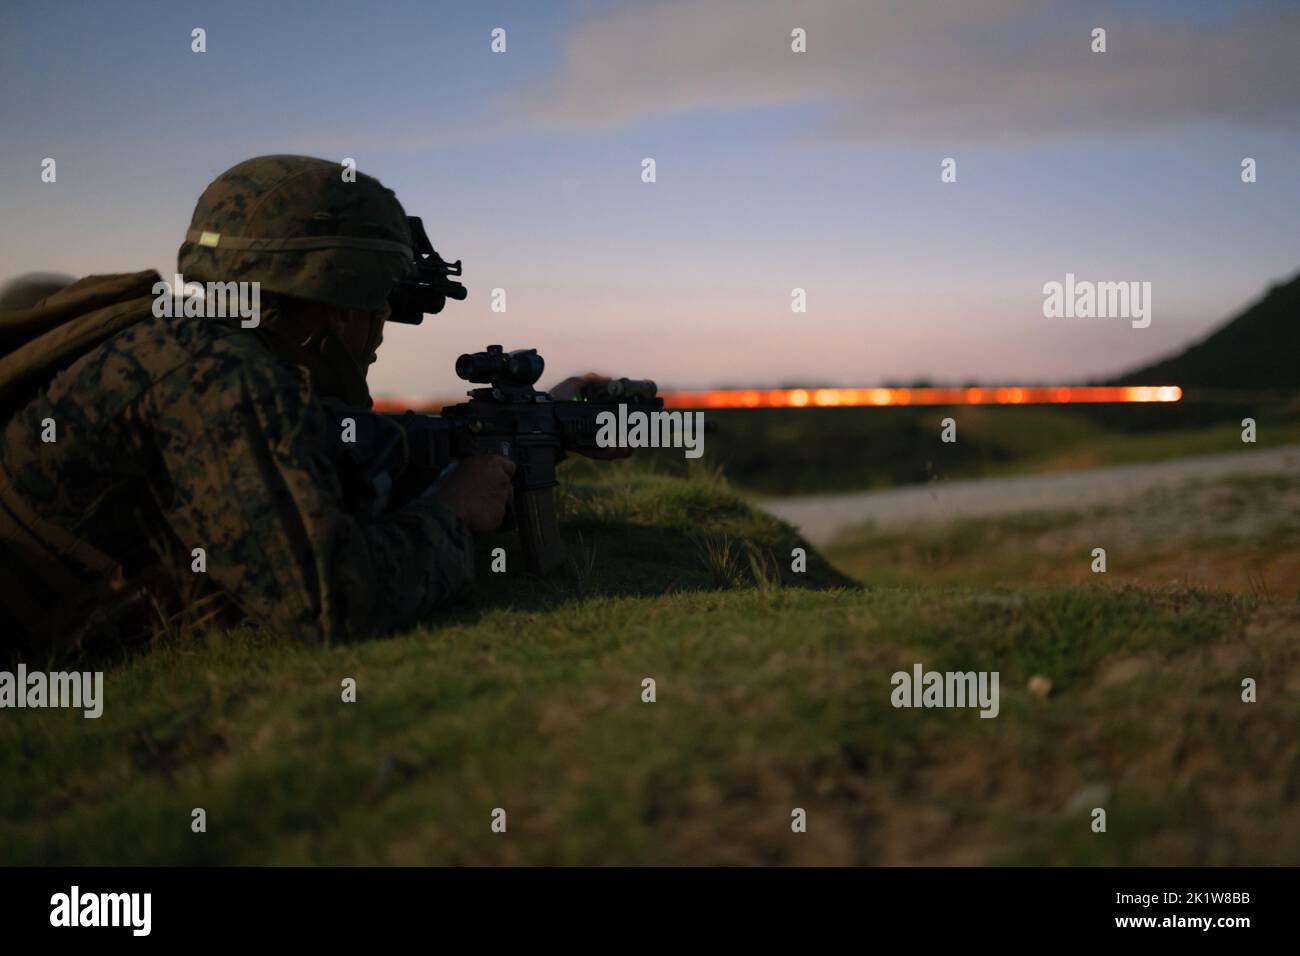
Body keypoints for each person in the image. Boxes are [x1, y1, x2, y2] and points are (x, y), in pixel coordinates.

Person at [0, 155, 517, 652]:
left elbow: (322, 445)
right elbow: (330, 605)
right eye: (379, 300)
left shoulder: (178, 339)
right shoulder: (219, 375)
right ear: (335, 307)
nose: (381, 322)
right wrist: (454, 512)